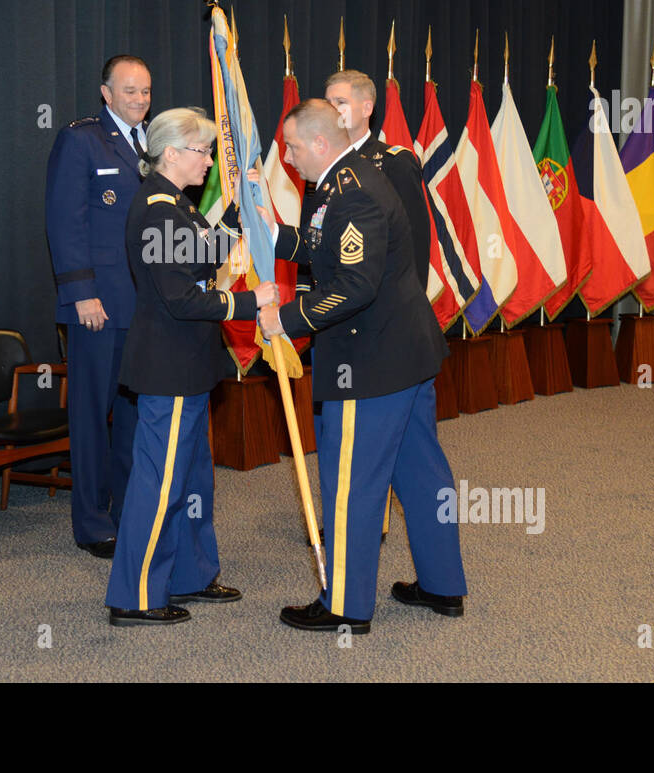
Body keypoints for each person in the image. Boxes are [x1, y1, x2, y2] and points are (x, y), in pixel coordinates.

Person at [258, 99, 466, 633]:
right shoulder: (343, 180)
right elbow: (328, 247)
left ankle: (346, 606)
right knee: (420, 473)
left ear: (321, 144)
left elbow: (353, 285)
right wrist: (278, 234)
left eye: (293, 146)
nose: (287, 156)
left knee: (352, 483)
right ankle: (442, 586)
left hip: (368, 363)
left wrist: (287, 319)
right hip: (404, 355)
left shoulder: (353, 192)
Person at [104, 107, 278, 625]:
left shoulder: (173, 202)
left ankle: (188, 575)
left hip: (191, 365)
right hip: (170, 365)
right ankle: (134, 596)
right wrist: (250, 304)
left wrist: (240, 208)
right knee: (159, 485)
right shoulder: (158, 208)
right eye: (203, 151)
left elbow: (203, 255)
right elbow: (182, 298)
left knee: (193, 480)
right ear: (173, 152)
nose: (209, 161)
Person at [45, 55, 152, 558]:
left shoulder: (155, 142)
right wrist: (81, 293)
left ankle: (128, 509)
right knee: (91, 417)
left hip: (144, 305)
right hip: (98, 306)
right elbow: (65, 223)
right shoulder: (81, 139)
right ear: (106, 93)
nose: (139, 99)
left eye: (146, 91)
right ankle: (92, 524)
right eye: (129, 91)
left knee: (133, 415)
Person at [325, 69, 432, 288]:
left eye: (341, 102)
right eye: (328, 103)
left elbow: (415, 239)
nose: (331, 111)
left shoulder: (395, 163)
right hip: (331, 295)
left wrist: (409, 307)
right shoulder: (321, 166)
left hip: (380, 297)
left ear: (367, 108)